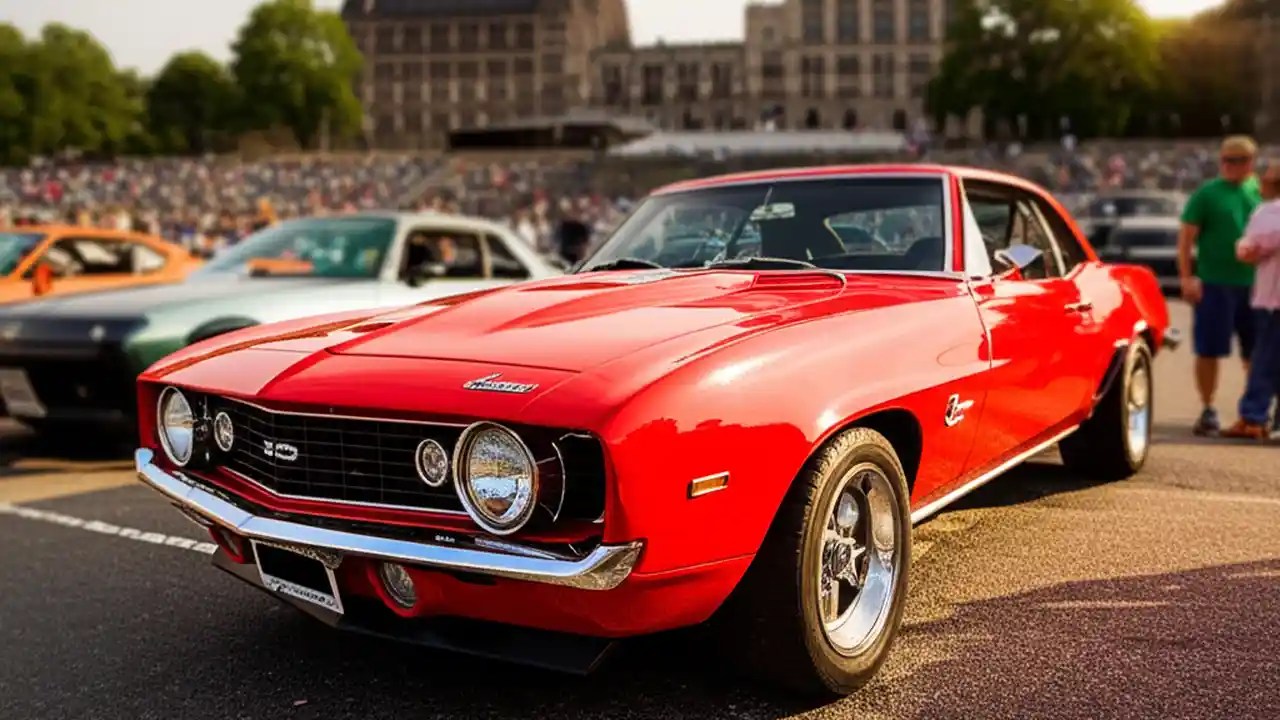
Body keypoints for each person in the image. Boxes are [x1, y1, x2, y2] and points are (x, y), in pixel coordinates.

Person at [1177, 136, 1263, 435]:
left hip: (1255, 285)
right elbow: (1186, 238)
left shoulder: (1258, 192)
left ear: (1250, 164)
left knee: (1256, 352)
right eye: (1225, 160)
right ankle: (1207, 407)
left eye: (1237, 161)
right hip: (1215, 283)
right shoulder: (1207, 194)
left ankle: (1255, 411)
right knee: (1209, 349)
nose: (1229, 166)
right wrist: (1187, 277)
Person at [1222, 162, 1280, 440]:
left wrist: (1255, 247)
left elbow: (1249, 246)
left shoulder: (1270, 211)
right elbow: (1246, 247)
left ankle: (1253, 417)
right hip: (1268, 296)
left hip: (1272, 301)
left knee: (1264, 359)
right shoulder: (1264, 210)